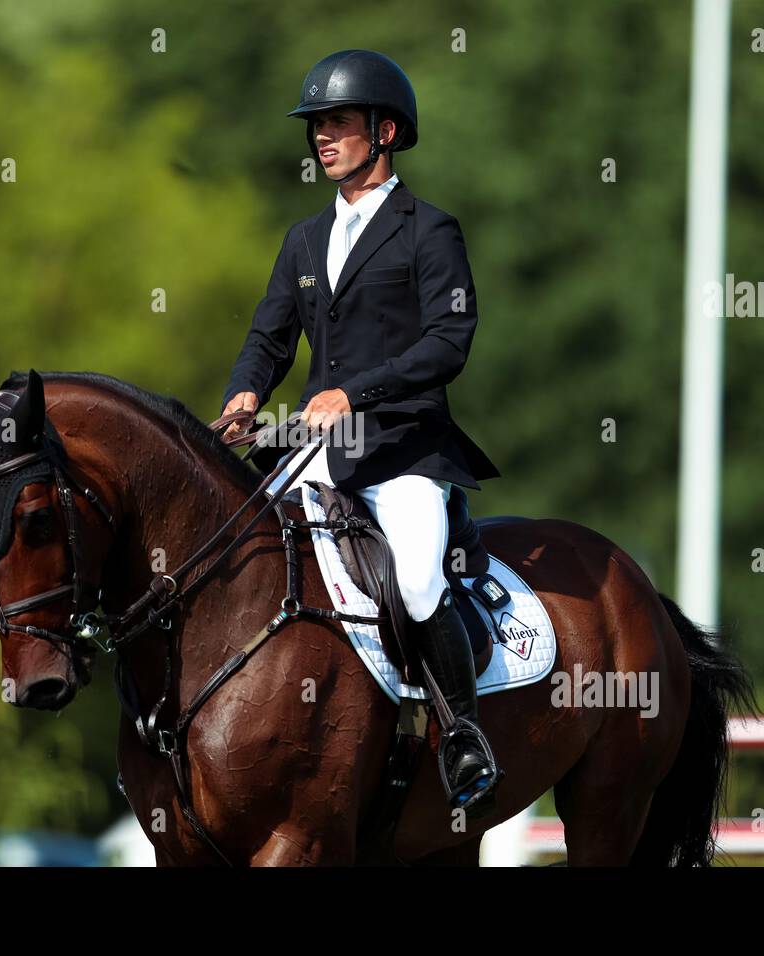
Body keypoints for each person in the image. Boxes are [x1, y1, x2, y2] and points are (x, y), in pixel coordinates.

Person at [220, 49, 503, 812]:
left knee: (414, 579)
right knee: (237, 549)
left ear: (384, 132)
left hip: (404, 449)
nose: (322, 137)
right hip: (318, 449)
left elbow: (449, 344)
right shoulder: (304, 240)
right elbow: (270, 337)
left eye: (337, 122)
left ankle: (464, 736)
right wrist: (247, 393)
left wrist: (355, 392)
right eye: (317, 125)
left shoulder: (428, 231)